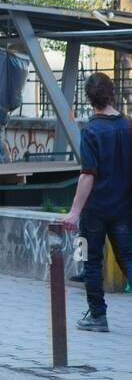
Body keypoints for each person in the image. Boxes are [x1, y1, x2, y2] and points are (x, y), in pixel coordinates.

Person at [61, 72, 131, 332]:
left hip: (96, 210)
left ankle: (97, 316)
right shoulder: (128, 126)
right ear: (112, 93)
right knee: (128, 259)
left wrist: (74, 212)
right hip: (123, 208)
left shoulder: (91, 130)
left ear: (90, 99)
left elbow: (88, 174)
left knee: (92, 261)